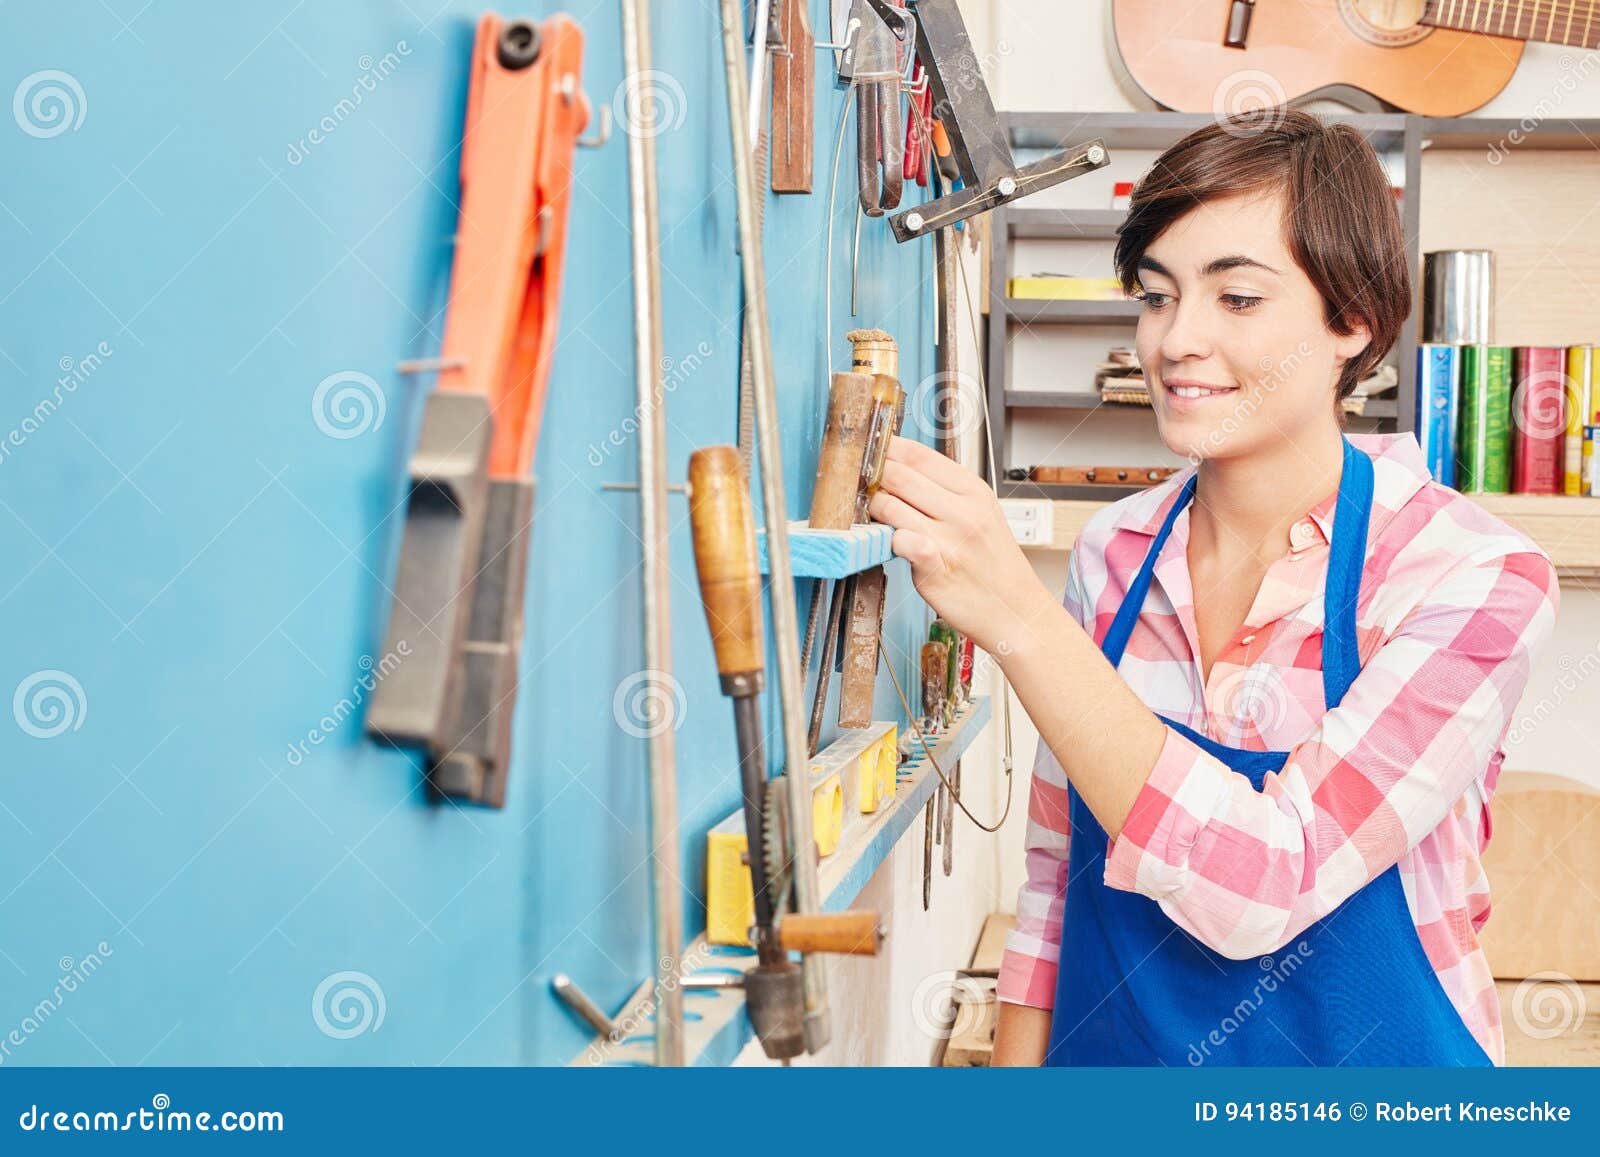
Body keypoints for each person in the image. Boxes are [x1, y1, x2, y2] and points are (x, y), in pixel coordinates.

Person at [867, 110, 1558, 1066]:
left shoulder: (1471, 576)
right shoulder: (1113, 553)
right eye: (1156, 297)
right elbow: (1057, 879)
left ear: (1351, 319)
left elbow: (1274, 878)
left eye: (1235, 298)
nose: (1175, 340)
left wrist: (1019, 619)